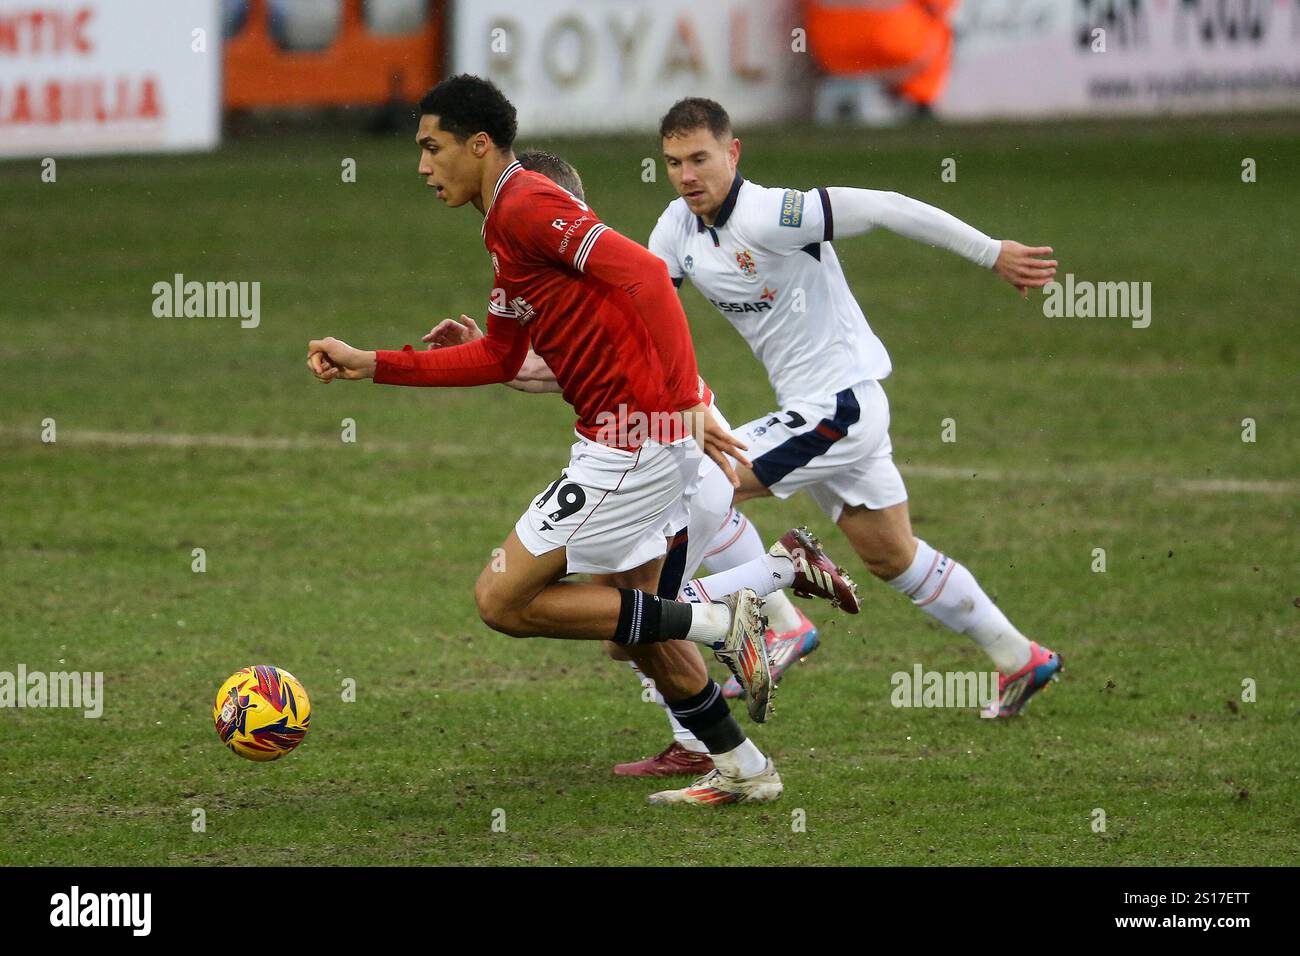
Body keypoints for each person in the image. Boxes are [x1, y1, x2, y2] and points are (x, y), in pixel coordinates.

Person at [424, 149, 847, 783]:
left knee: (631, 628)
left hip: (675, 470)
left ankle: (773, 577)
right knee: (630, 626)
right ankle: (734, 755)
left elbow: (634, 360)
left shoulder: (597, 273)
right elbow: (569, 371)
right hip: (672, 461)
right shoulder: (574, 279)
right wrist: (490, 360)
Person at [646, 97, 1063, 724]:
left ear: (733, 153)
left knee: (704, 478)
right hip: (826, 412)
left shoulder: (774, 214)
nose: (686, 175)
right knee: (890, 554)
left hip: (839, 407)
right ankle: (1019, 655)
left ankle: (775, 622)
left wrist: (989, 251)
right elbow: (636, 323)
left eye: (700, 158)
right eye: (675, 162)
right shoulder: (676, 229)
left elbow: (887, 207)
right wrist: (521, 360)